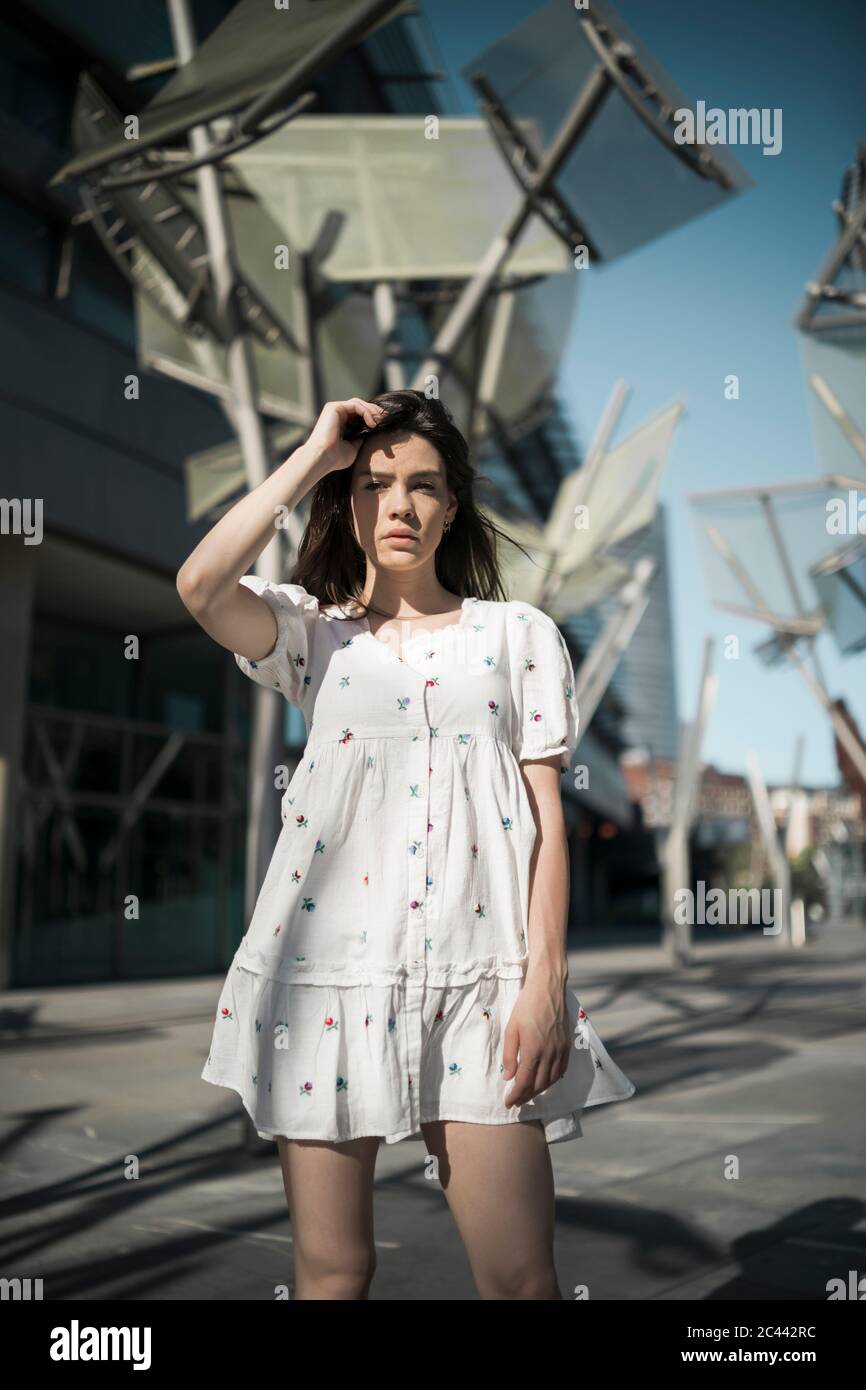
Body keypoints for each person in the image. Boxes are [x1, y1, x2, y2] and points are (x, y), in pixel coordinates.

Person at [177, 389, 635, 1300]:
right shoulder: (312, 635)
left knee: (520, 1280)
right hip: (325, 985)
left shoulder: (518, 637)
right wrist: (317, 452)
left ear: (452, 506)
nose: (399, 505)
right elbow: (198, 587)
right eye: (377, 483)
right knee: (332, 1273)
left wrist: (546, 984)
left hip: (481, 986)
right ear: (348, 500)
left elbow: (545, 820)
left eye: (424, 486)